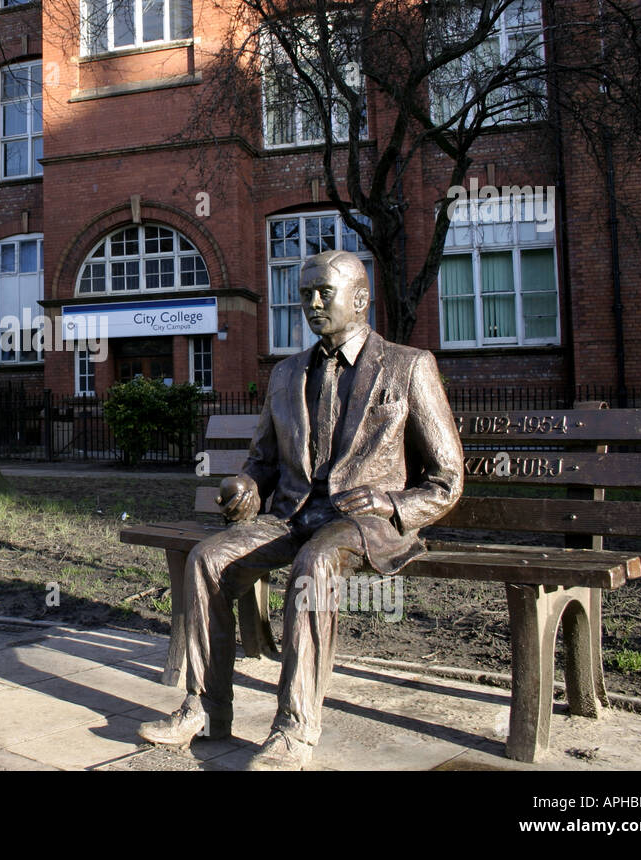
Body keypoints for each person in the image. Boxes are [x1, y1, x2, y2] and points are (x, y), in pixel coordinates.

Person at [137, 249, 464, 770]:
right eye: (304, 293)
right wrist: (244, 484)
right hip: (292, 517)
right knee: (206, 559)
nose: (310, 303)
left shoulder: (408, 366)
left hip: (365, 524)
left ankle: (294, 730)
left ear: (360, 300)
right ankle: (205, 709)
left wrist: (391, 502)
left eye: (323, 293)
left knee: (315, 565)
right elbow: (263, 460)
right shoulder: (287, 373)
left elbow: (447, 481)